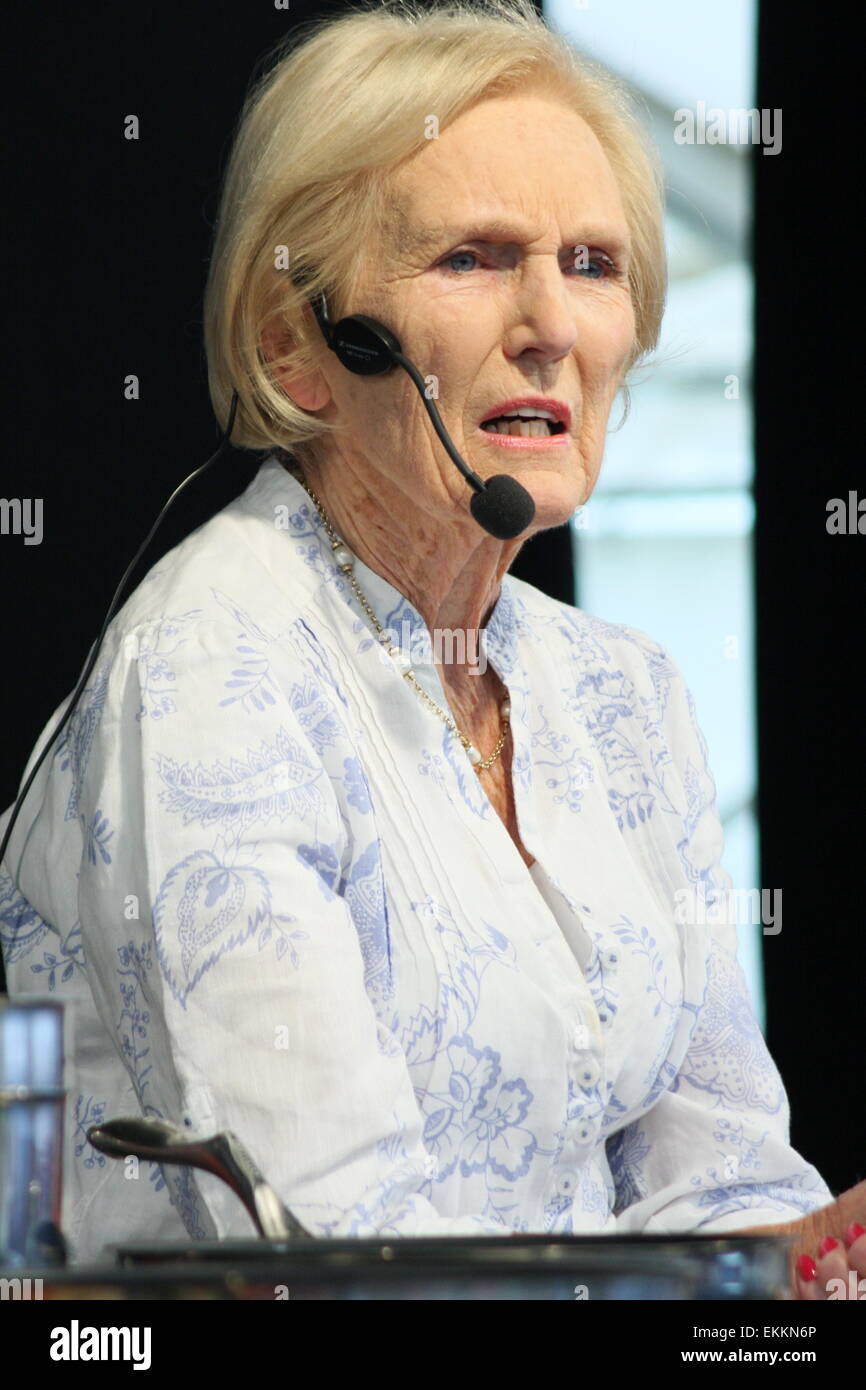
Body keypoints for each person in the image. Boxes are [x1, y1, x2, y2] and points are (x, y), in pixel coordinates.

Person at [1, 0, 862, 1298]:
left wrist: (809, 1271)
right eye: (472, 257)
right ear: (299, 344)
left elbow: (727, 1178)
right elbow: (347, 1264)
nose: (549, 326)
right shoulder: (209, 675)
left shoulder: (623, 692)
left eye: (589, 262)